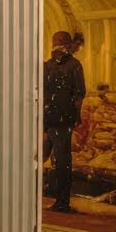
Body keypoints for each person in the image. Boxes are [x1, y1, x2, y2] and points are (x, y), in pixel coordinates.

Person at [43, 30, 85, 214]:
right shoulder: (75, 66)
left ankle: (30, 195)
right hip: (64, 121)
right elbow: (79, 93)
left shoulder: (47, 66)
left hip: (47, 120)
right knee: (62, 162)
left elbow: (42, 93)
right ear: (67, 46)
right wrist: (77, 116)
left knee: (39, 158)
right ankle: (61, 202)